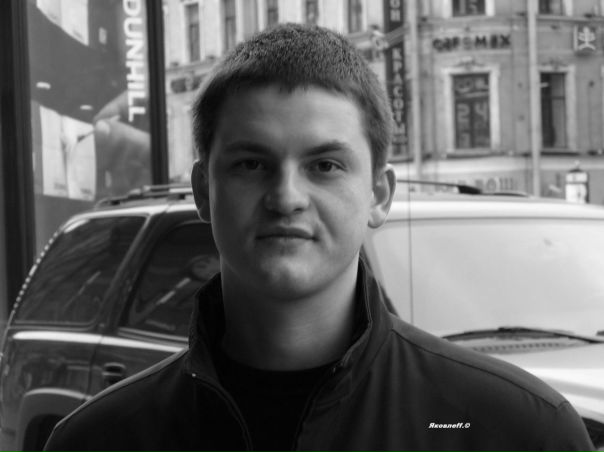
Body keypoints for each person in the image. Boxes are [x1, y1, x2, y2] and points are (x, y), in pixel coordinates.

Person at [44, 23, 594, 452]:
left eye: (325, 165)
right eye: (251, 163)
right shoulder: (99, 441)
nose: (286, 197)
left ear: (378, 194)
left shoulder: (520, 432)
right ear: (203, 192)